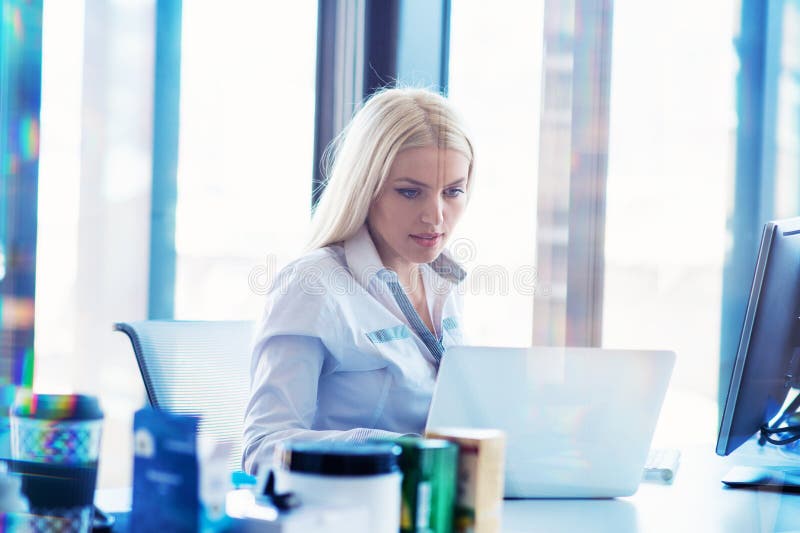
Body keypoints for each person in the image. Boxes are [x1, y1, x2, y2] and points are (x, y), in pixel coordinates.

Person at [242, 87, 475, 474]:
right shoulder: (313, 285)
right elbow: (265, 447)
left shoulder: (444, 284)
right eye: (409, 192)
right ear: (366, 189)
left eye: (452, 192)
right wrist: (389, 450)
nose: (435, 217)